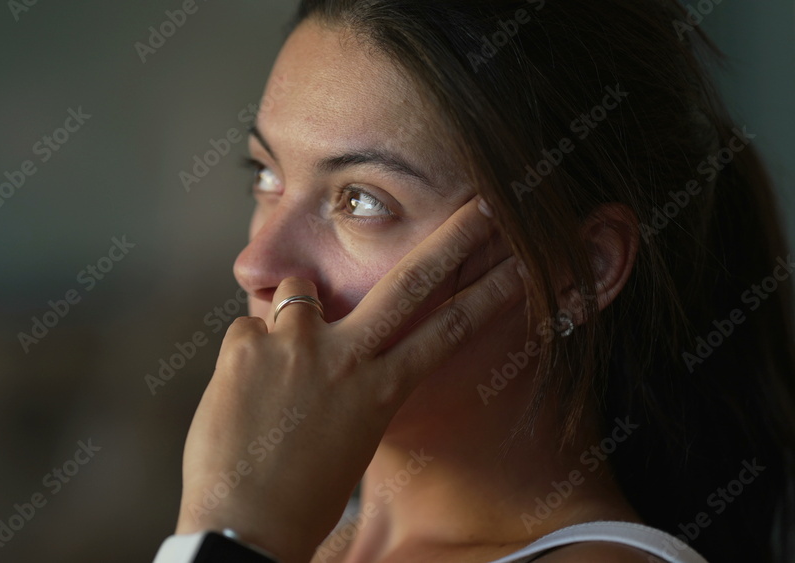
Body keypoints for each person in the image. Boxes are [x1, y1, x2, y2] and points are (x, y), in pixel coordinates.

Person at [155, 1, 795, 561]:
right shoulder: (305, 536)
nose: (257, 264)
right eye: (266, 175)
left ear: (577, 270)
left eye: (363, 200)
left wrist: (232, 537)